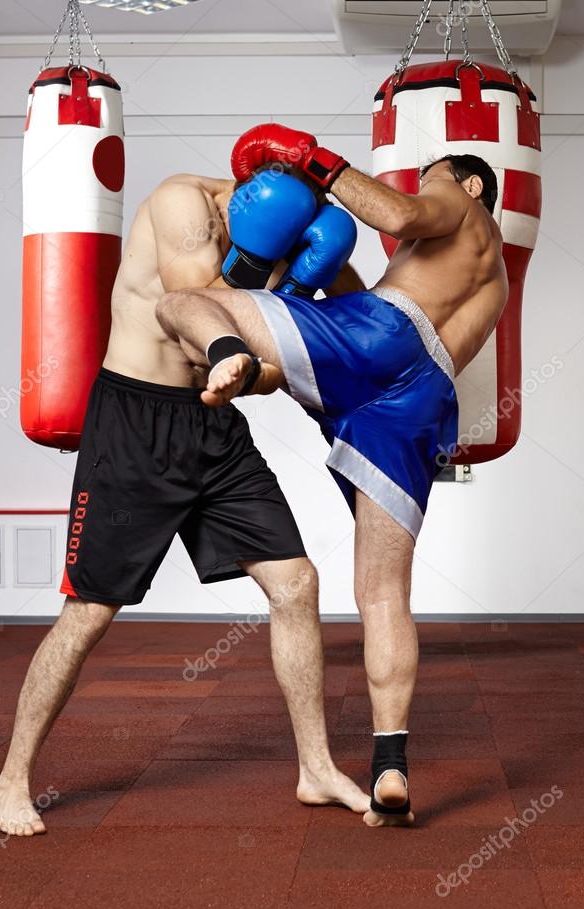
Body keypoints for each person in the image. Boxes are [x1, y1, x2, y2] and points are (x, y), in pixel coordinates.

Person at [0, 162, 368, 836]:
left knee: (296, 583)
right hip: (133, 425)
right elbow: (198, 302)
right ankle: (11, 779)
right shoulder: (180, 202)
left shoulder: (284, 249)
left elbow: (270, 363)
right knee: (89, 613)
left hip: (213, 428)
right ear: (251, 192)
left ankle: (315, 766)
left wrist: (262, 356)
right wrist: (263, 303)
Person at [154, 124, 509, 827]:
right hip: (419, 395)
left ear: (469, 187)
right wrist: (323, 261)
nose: (423, 188)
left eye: (435, 176)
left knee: (177, 306)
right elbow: (361, 316)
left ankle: (228, 350)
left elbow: (400, 216)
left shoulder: (461, 207)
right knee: (382, 593)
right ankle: (390, 764)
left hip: (385, 336)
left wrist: (310, 160)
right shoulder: (489, 278)